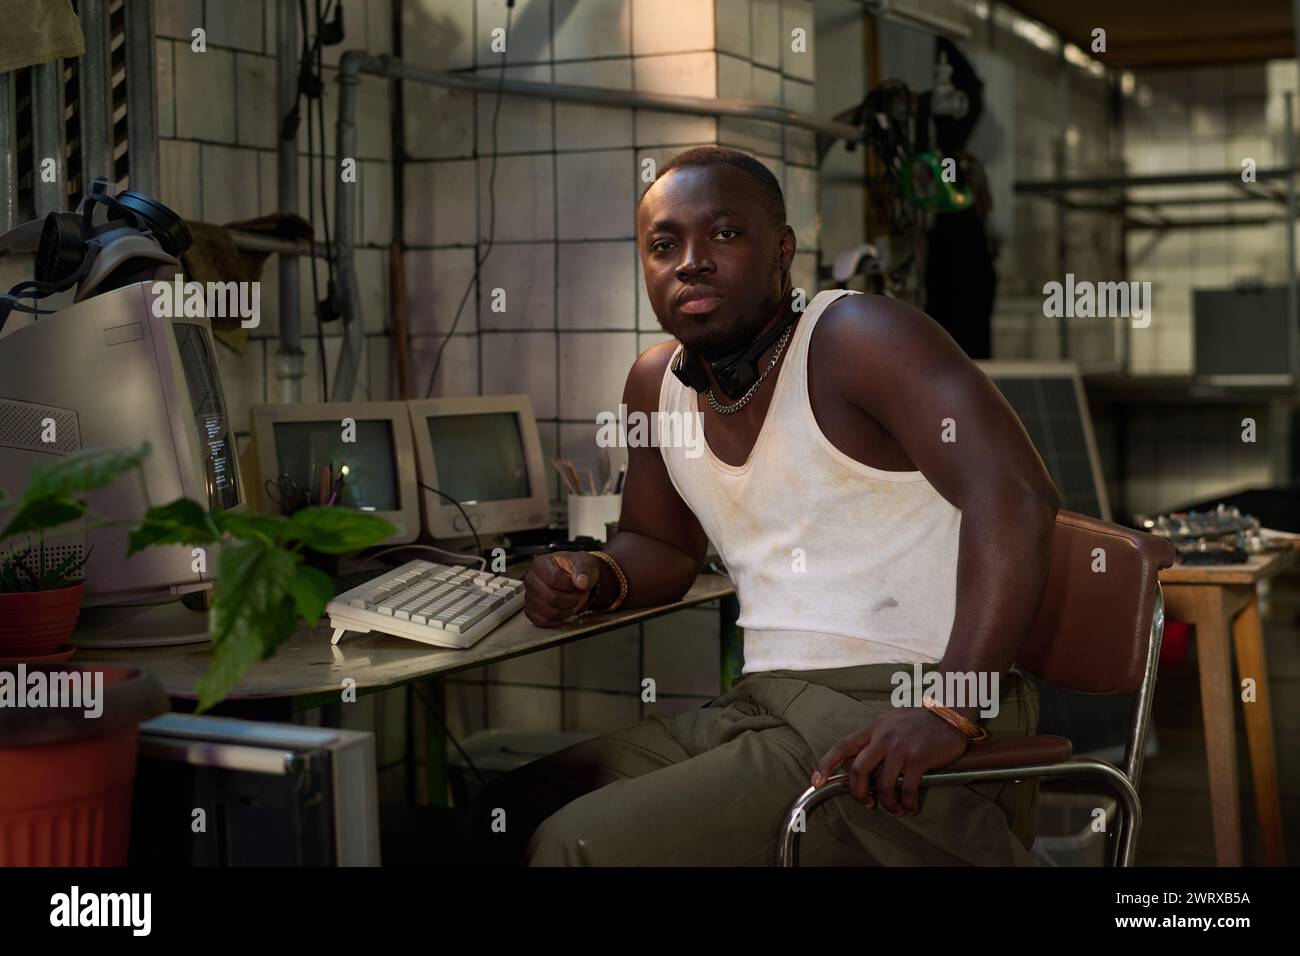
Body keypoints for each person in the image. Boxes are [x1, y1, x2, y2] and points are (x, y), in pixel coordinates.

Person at [473, 146, 1059, 866]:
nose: (691, 261)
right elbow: (661, 548)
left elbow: (1018, 495)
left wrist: (951, 706)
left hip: (904, 704)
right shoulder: (656, 384)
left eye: (723, 234)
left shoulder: (858, 338)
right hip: (762, 707)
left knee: (577, 848)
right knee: (499, 813)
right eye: (665, 245)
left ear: (782, 250)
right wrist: (593, 576)